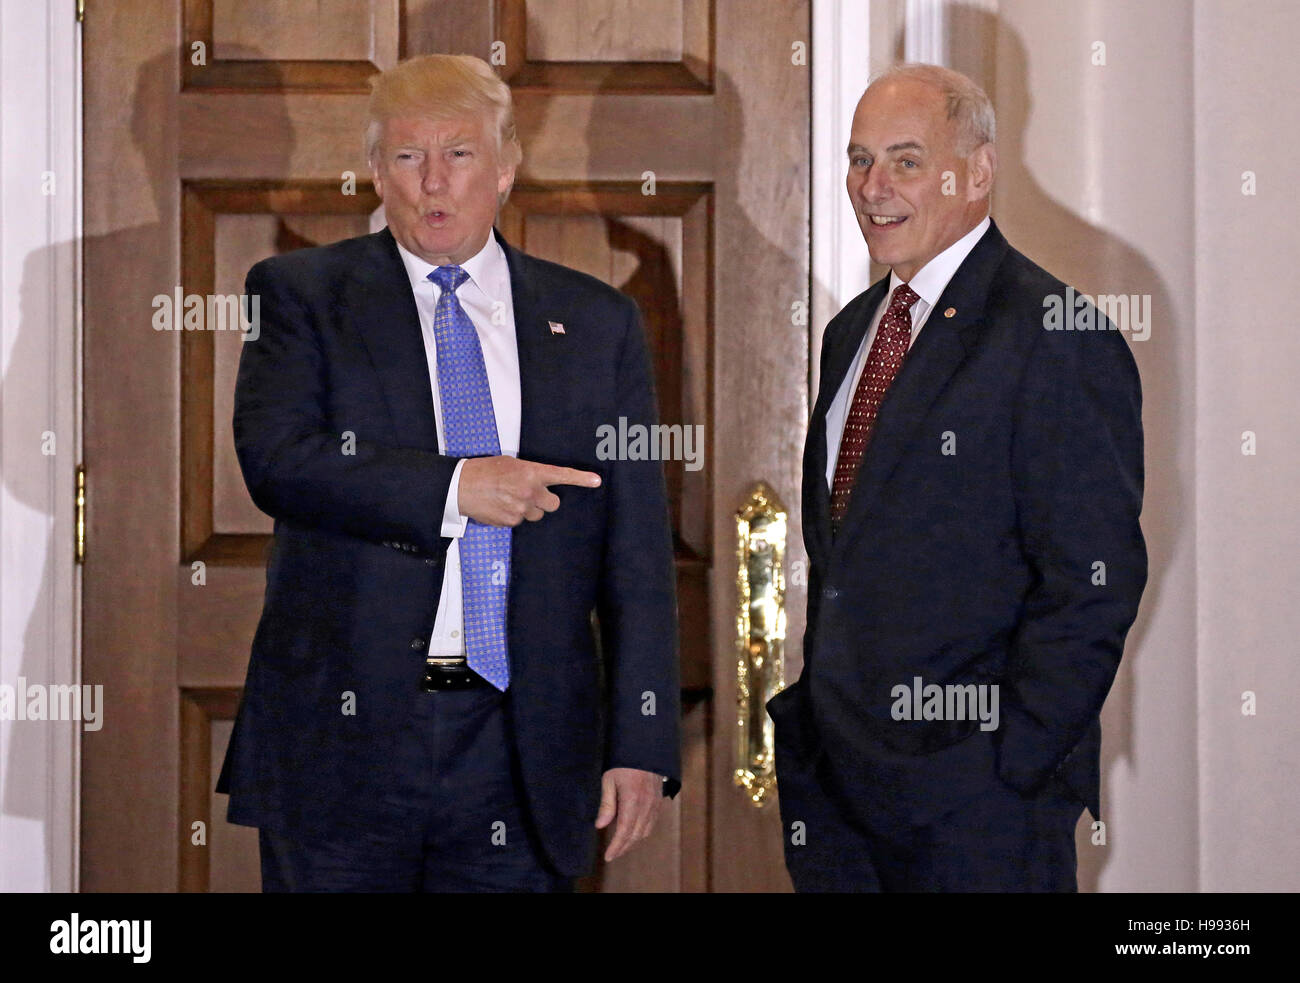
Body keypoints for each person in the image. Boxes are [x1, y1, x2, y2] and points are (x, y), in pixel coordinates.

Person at [216, 53, 680, 892]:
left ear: (506, 168)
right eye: (406, 156)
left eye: (459, 155)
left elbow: (637, 555)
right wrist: (457, 489)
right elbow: (277, 461)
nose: (433, 180)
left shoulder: (596, 322)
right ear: (373, 171)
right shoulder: (301, 295)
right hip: (343, 744)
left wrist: (641, 743)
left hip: (522, 744)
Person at [767, 63, 1146, 891]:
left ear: (977, 171)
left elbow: (1092, 583)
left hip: (979, 812)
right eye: (860, 160)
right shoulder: (852, 333)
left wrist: (1009, 764)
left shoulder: (1055, 332)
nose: (872, 187)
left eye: (905, 160)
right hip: (839, 804)